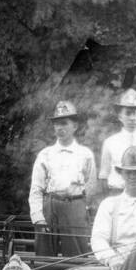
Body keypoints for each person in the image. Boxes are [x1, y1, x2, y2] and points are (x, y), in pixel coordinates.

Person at [29, 100, 97, 259]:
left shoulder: (85, 154)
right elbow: (36, 189)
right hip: (50, 206)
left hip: (75, 206)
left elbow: (92, 186)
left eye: (65, 123)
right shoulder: (45, 154)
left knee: (77, 256)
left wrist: (81, 209)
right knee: (44, 256)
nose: (60, 128)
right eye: (57, 124)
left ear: (75, 126)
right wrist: (38, 216)